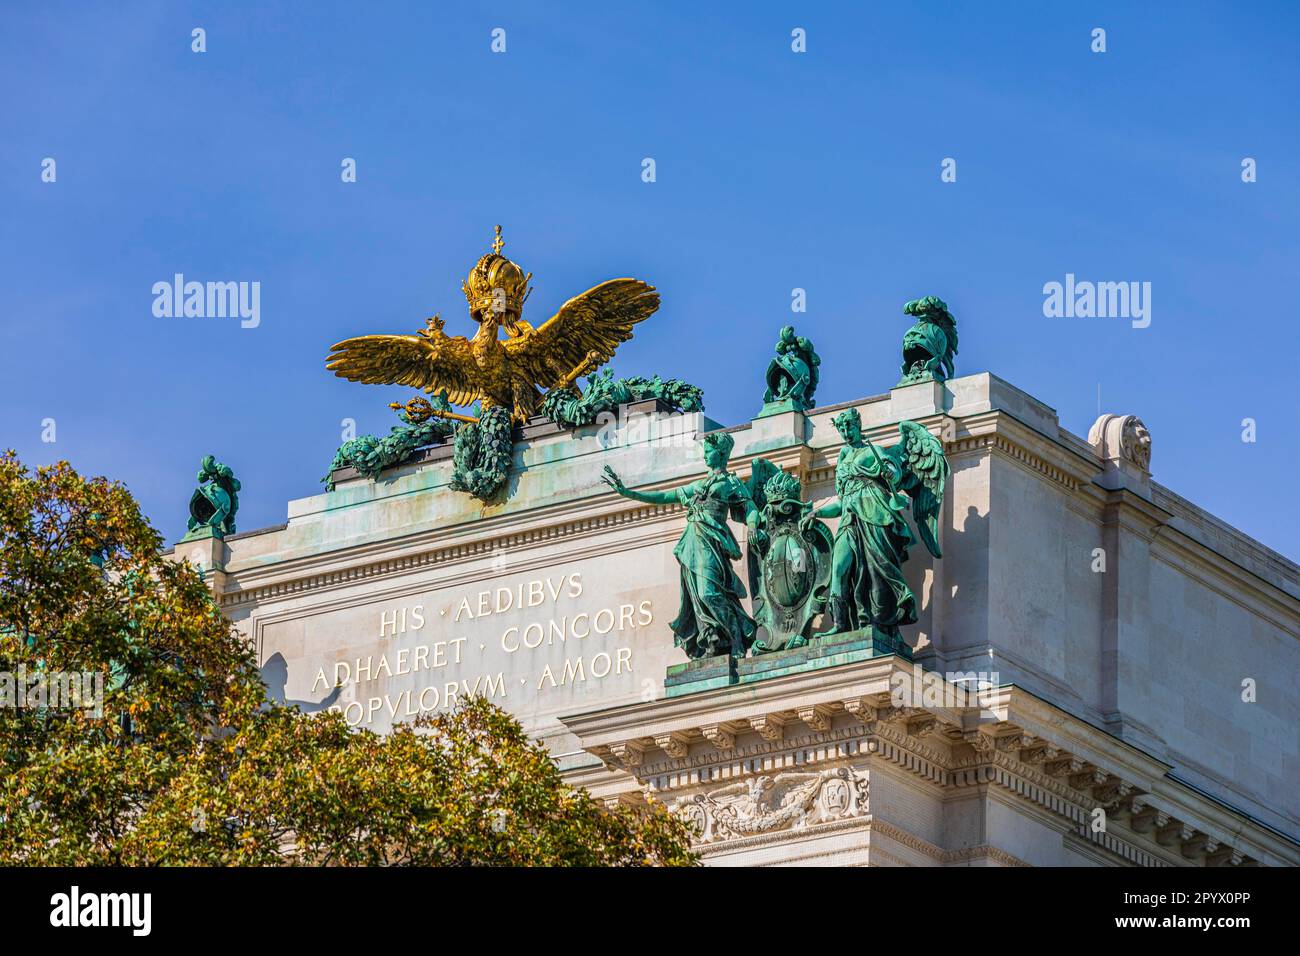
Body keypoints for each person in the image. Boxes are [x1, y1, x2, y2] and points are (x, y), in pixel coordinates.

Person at [602, 432, 763, 658]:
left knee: (709, 593)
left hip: (712, 541)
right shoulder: (698, 485)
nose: (705, 455)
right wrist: (629, 493)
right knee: (697, 596)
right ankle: (712, 638)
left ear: (722, 453)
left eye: (709, 451)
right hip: (692, 542)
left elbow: (750, 508)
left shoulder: (731, 483)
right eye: (705, 451)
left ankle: (738, 633)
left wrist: (754, 525)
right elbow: (664, 496)